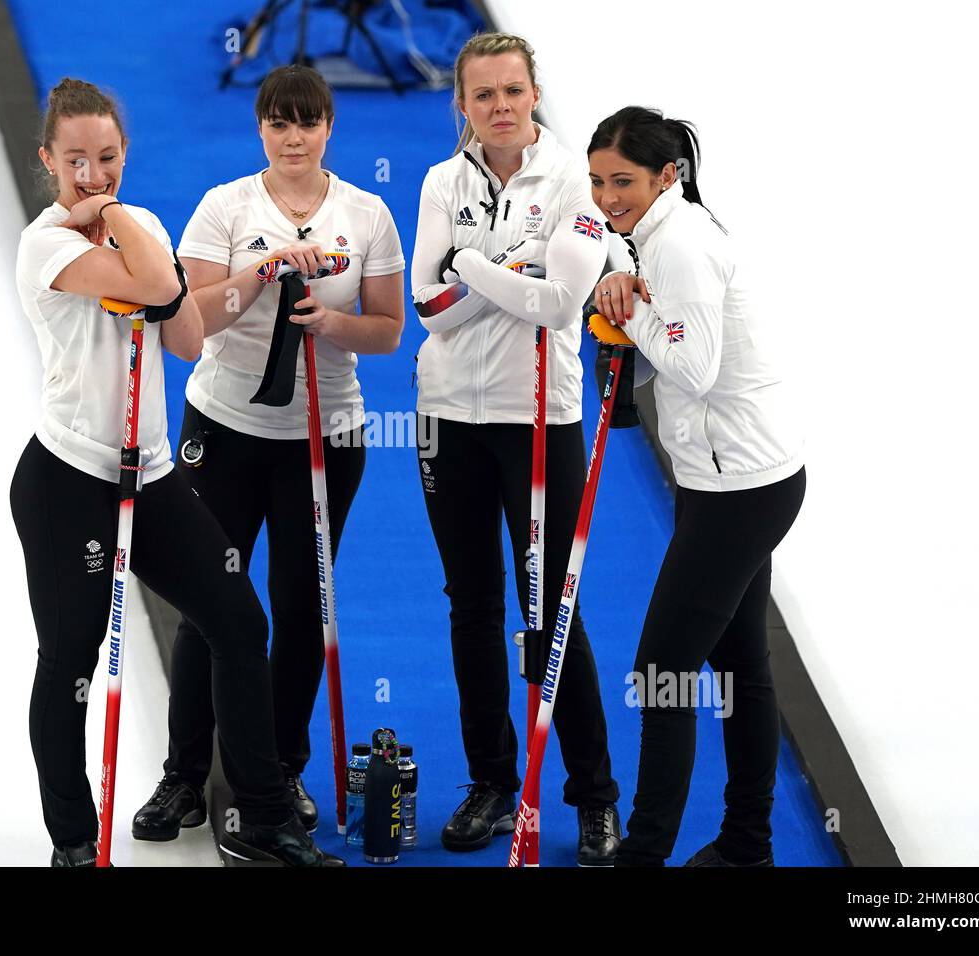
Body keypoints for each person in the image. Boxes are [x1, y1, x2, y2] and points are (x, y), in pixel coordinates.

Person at [11, 77, 342, 867]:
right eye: (77, 162)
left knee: (238, 622)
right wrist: (111, 219)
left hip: (151, 475)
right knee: (73, 659)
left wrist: (124, 221)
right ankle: (73, 840)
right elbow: (159, 286)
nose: (93, 176)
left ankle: (261, 817)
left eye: (110, 159)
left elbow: (188, 337)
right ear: (47, 161)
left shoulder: (142, 225)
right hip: (69, 477)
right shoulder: (47, 243)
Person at [130, 65, 405, 841]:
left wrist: (331, 323)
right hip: (221, 428)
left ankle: (279, 771)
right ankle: (184, 777)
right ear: (261, 130)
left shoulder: (367, 213)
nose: (294, 137)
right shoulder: (227, 206)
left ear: (328, 129)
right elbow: (196, 320)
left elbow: (387, 329)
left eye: (307, 122)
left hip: (325, 435)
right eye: (279, 124)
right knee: (206, 603)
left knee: (300, 605)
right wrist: (259, 277)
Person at [410, 32, 625, 865]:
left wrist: (470, 264)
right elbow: (429, 306)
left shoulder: (574, 178)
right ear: (461, 105)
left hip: (540, 420)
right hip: (446, 419)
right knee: (472, 605)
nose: (499, 107)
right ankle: (493, 783)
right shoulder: (440, 181)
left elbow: (562, 302)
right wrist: (507, 265)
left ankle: (595, 797)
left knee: (553, 611)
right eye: (482, 95)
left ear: (534, 93)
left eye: (512, 91)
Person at [589, 106, 805, 867]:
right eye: (598, 182)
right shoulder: (657, 236)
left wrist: (624, 309)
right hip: (741, 482)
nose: (608, 196)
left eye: (623, 181)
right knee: (740, 663)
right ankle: (747, 846)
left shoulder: (677, 244)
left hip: (738, 493)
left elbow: (692, 367)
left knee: (660, 674)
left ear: (665, 176)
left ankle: (642, 855)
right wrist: (625, 294)